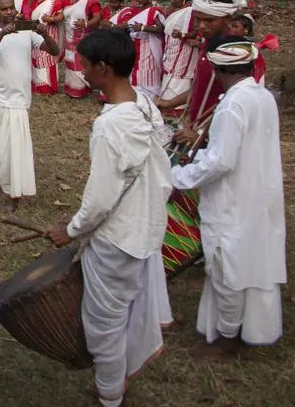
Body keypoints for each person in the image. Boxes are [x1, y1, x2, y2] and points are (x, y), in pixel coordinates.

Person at [46, 29, 173, 407]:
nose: (81, 72)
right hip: (145, 229)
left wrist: (69, 230)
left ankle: (109, 396)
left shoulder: (111, 125)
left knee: (105, 324)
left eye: (85, 66)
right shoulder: (145, 105)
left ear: (103, 68)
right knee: (126, 309)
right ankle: (117, 380)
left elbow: (100, 200)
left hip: (117, 238)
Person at [170, 39, 285, 360]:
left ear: (219, 70)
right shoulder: (262, 96)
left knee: (227, 266)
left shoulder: (233, 105)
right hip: (258, 194)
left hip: (234, 198)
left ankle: (226, 339)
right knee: (250, 261)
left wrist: (175, 178)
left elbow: (221, 161)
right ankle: (247, 328)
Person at [0, 0, 60, 204]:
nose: (9, 13)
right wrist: (2, 34)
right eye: (4, 9)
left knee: (16, 144)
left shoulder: (26, 30)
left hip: (21, 97)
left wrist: (45, 33)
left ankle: (14, 185)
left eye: (11, 8)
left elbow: (55, 50)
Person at [61, 0, 105, 99]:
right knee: (70, 62)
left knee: (81, 64)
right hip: (69, 36)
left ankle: (84, 88)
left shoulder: (91, 0)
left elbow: (97, 17)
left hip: (84, 38)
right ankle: (72, 89)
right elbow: (64, 16)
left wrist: (85, 24)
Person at [118, 0, 165, 99]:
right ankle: (135, 96)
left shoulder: (154, 11)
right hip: (134, 45)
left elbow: (161, 28)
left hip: (148, 47)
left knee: (147, 71)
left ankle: (149, 98)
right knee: (135, 71)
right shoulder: (134, 10)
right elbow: (128, 26)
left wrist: (144, 28)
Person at [159, 0, 197, 103]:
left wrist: (182, 35)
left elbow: (196, 32)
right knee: (169, 77)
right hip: (171, 50)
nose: (172, 1)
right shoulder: (175, 12)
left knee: (178, 79)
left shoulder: (190, 12)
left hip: (183, 51)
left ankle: (177, 107)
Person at [25, 0, 63, 95]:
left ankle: (48, 88)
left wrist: (51, 19)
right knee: (36, 58)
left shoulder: (54, 1)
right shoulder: (36, 2)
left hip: (48, 34)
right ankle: (37, 86)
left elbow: (61, 16)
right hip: (35, 33)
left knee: (46, 58)